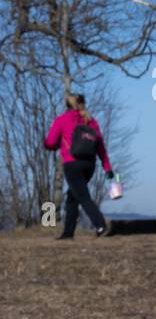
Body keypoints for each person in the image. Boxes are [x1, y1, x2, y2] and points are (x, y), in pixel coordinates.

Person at [44, 93, 116, 239]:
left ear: (68, 105)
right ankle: (68, 233)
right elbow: (100, 147)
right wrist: (107, 167)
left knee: (83, 196)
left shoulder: (62, 119)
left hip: (72, 164)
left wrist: (50, 144)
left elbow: (50, 142)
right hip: (89, 165)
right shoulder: (91, 121)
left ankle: (101, 225)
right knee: (72, 196)